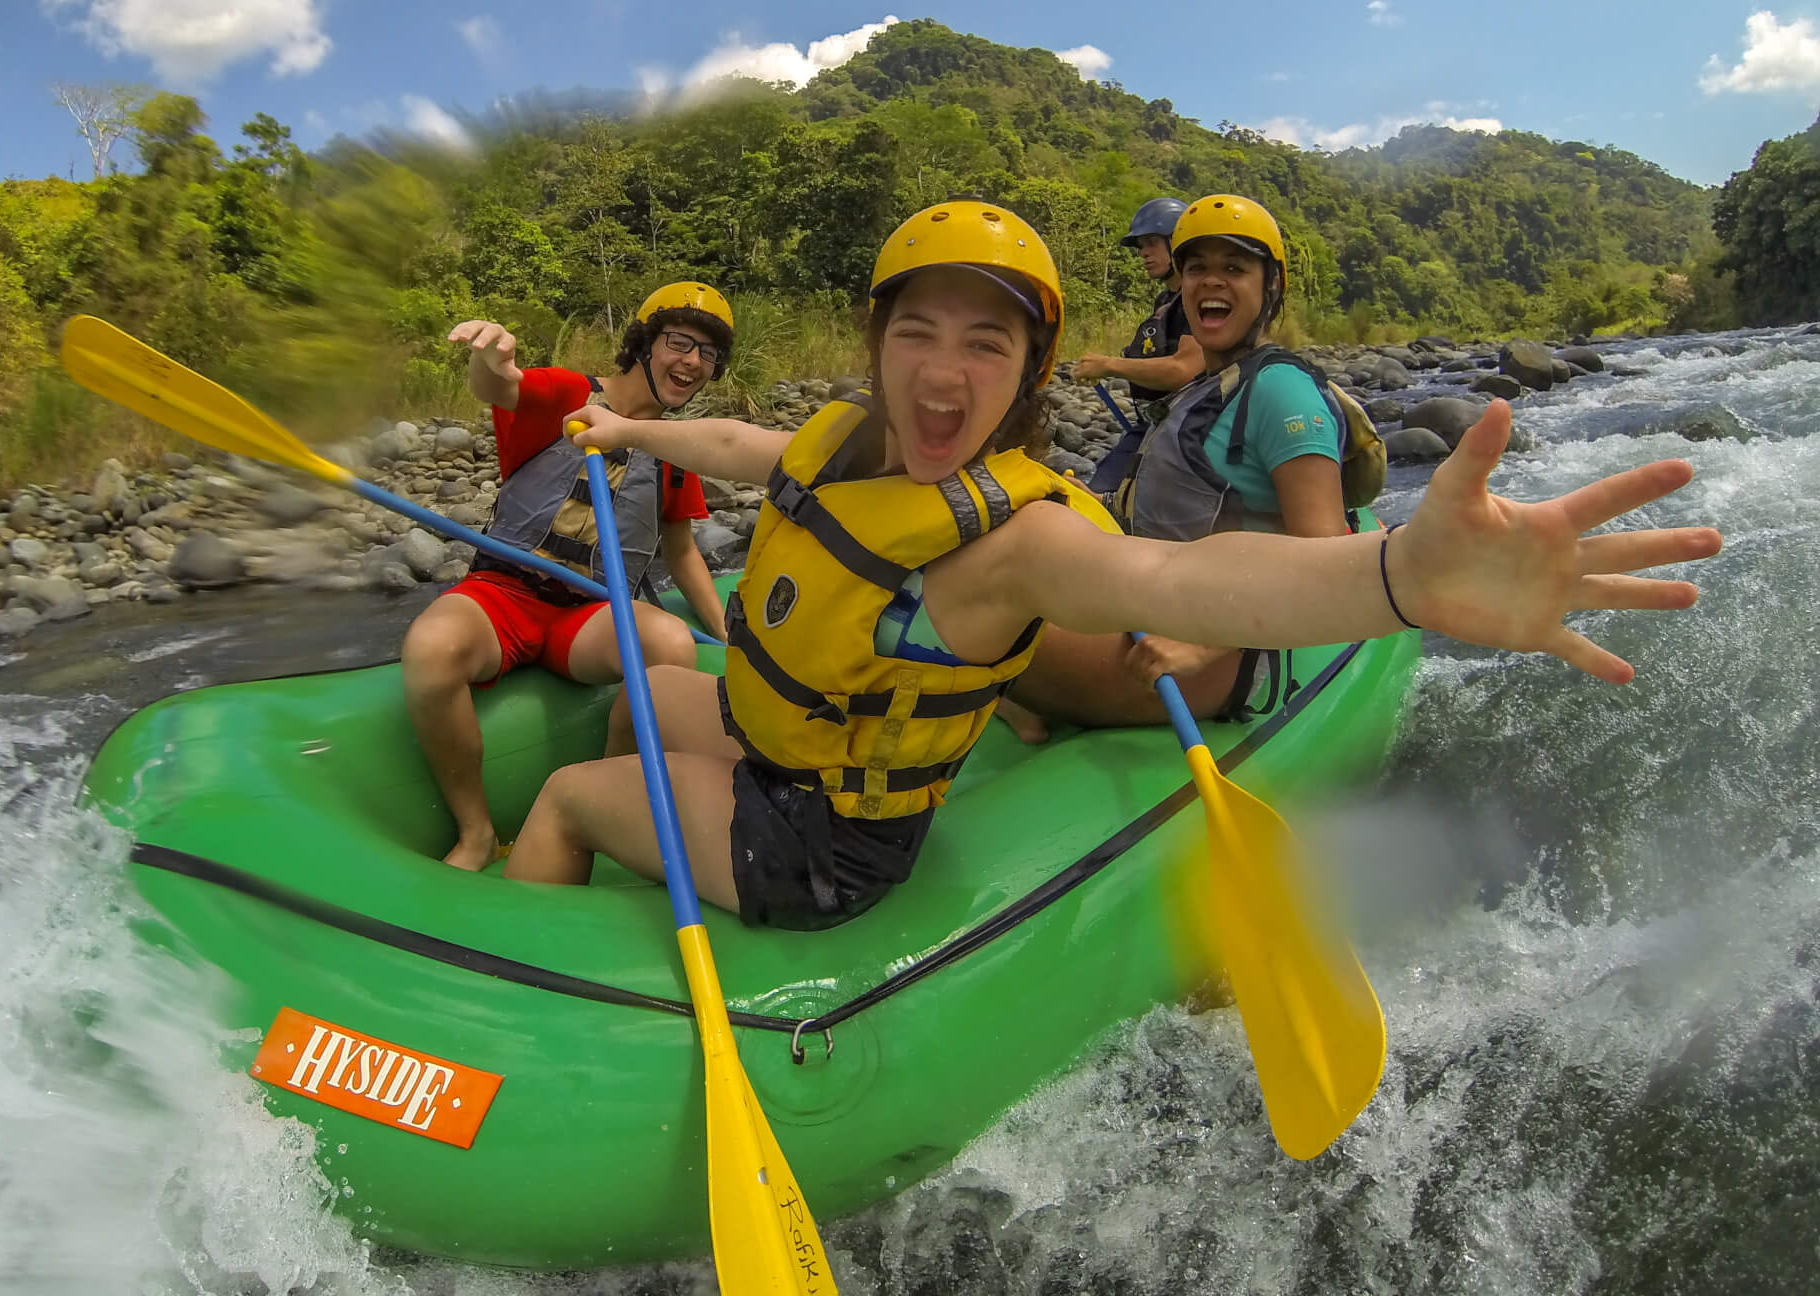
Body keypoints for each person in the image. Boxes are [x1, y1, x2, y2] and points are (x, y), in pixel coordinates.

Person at [500, 201, 1719, 930]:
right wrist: (626, 432)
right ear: (873, 345)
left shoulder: (1017, 540)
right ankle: (649, 904)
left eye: (985, 343)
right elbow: (740, 445)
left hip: (821, 845)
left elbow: (1177, 585)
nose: (942, 370)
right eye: (914, 330)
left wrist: (1397, 576)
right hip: (783, 750)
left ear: (1028, 375)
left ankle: (553, 968)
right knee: (635, 702)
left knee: (565, 798)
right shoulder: (840, 442)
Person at [1010, 192, 1388, 730]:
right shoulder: (1208, 386)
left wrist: (1208, 644)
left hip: (1221, 654)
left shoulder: (1282, 392)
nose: (1210, 281)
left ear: (1271, 285)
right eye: (1197, 269)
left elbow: (1331, 566)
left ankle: (1009, 701)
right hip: (1149, 601)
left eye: (1234, 268)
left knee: (973, 599)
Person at [402, 282, 734, 871]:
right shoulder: (567, 391)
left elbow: (681, 552)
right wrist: (489, 356)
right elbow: (500, 387)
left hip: (588, 613)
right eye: (680, 343)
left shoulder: (676, 450)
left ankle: (601, 802)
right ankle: (476, 833)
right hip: (504, 592)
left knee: (669, 643)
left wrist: (726, 636)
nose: (693, 363)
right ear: (643, 344)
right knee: (431, 648)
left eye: (707, 354)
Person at [1070, 196, 1204, 505]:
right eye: (1141, 245)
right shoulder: (1165, 302)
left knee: (1105, 505)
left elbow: (1181, 371)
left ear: (1179, 243)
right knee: (1089, 499)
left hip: (1188, 434)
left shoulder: (1198, 301)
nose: (1143, 253)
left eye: (1153, 243)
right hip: (1155, 425)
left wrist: (1109, 365)